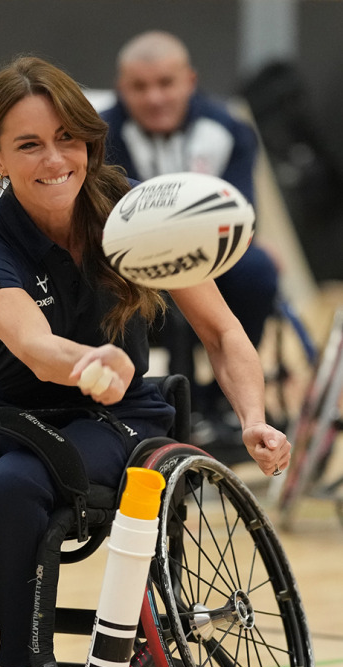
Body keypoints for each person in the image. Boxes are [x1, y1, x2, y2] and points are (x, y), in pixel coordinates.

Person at [0, 55, 290, 667]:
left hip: (116, 419)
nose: (55, 158)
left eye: (69, 138)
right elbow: (31, 344)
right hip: (10, 411)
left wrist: (254, 418)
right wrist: (89, 357)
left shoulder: (135, 217)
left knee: (17, 481)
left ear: (90, 142)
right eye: (29, 144)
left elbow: (222, 330)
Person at [100, 30, 280, 450]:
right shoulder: (100, 135)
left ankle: (224, 407)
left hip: (213, 258)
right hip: (132, 263)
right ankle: (171, 407)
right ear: (121, 88)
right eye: (140, 87)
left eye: (166, 83)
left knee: (258, 268)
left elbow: (240, 216)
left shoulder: (229, 130)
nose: (155, 97)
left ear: (190, 81)